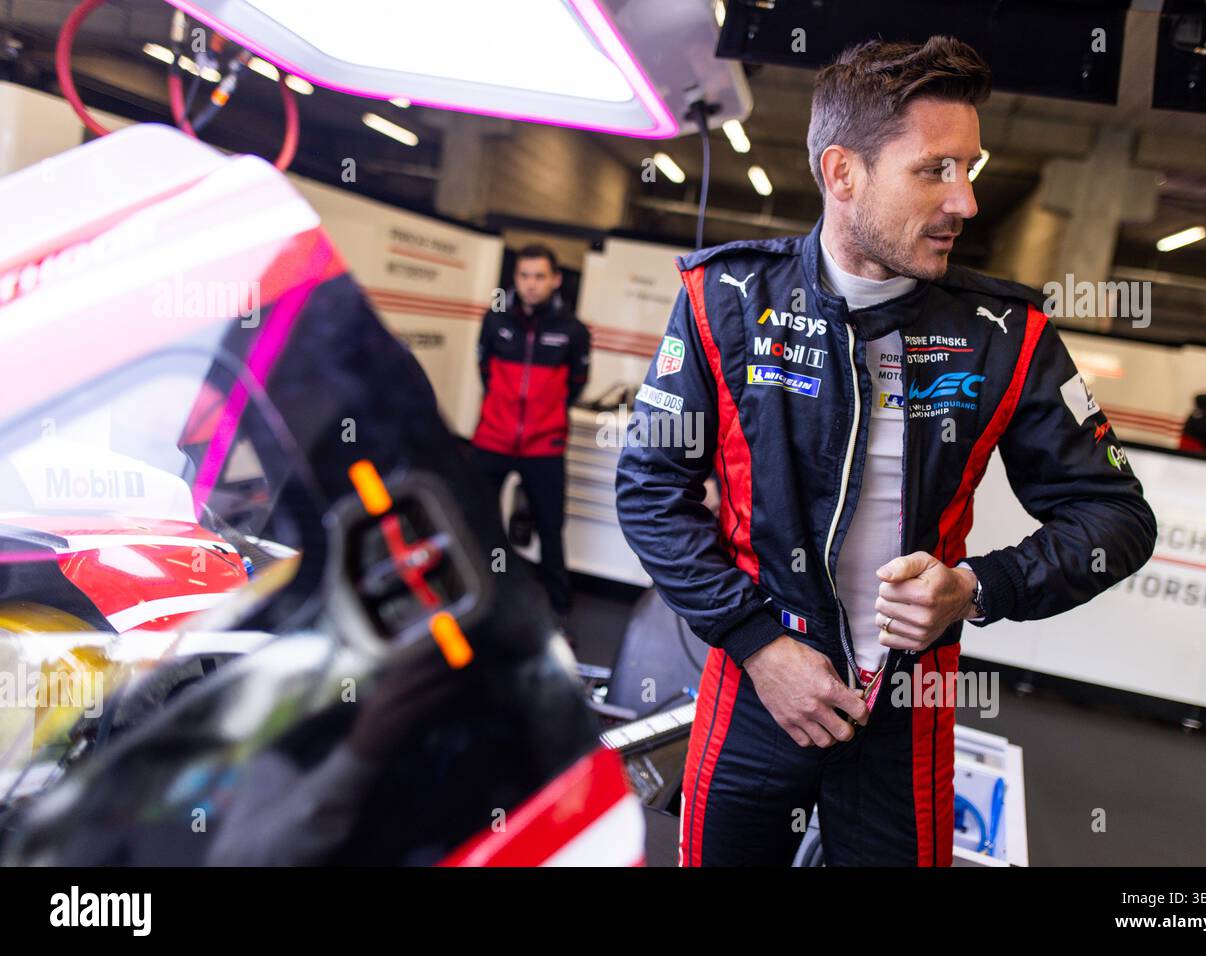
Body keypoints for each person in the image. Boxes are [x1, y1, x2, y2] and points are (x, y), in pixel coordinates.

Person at [614, 36, 1157, 867]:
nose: (966, 201)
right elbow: (650, 489)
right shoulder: (723, 297)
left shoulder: (1006, 334)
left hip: (912, 700)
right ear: (843, 174)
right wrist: (759, 644)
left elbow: (1116, 516)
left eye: (969, 168)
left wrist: (980, 586)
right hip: (758, 681)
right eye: (936, 169)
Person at [472, 244, 590, 632]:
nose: (531, 284)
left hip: (544, 446)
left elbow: (575, 383)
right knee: (476, 520)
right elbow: (485, 371)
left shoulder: (572, 330)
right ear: (515, 278)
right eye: (524, 276)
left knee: (550, 530)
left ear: (555, 280)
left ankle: (560, 613)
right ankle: (480, 600)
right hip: (493, 440)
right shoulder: (496, 320)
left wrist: (544, 416)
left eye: (539, 276)